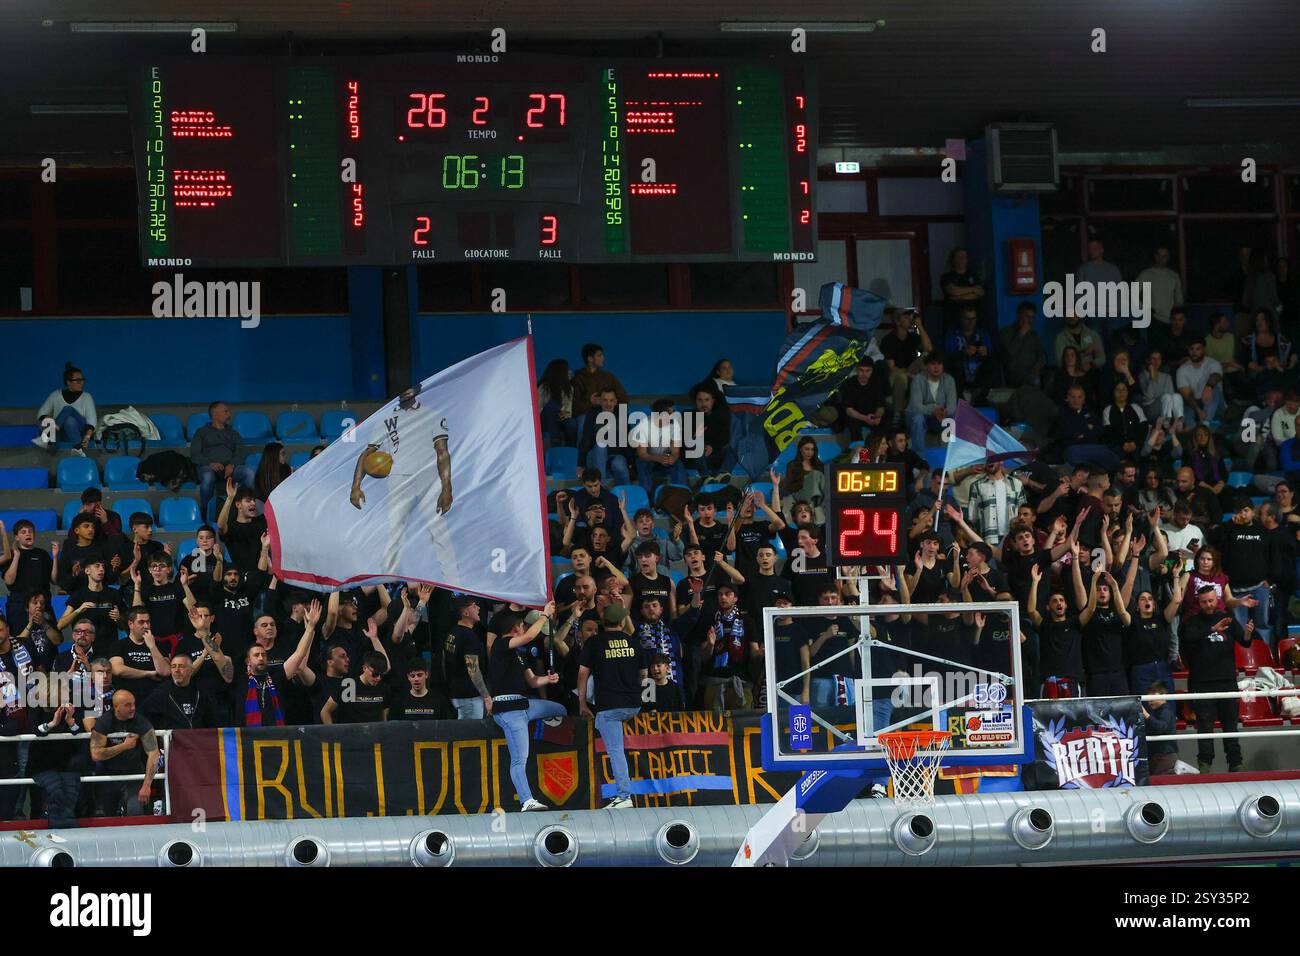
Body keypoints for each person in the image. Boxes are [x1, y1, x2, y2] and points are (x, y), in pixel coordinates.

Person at [347, 383, 456, 575]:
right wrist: (355, 485)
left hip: (427, 479)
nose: (406, 389)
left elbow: (442, 453)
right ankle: (388, 579)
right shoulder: (386, 418)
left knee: (440, 532)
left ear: (418, 389)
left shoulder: (432, 415)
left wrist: (446, 488)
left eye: (410, 385)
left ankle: (453, 582)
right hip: (398, 480)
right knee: (394, 532)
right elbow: (368, 452)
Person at [489, 603, 567, 811]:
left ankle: (544, 733)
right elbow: (529, 637)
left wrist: (548, 680)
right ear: (516, 628)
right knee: (519, 759)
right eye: (522, 626)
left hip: (526, 705)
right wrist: (544, 615)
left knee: (560, 709)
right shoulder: (500, 644)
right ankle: (526, 801)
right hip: (509, 710)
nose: (524, 628)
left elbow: (532, 681)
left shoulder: (518, 654)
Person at [578, 604, 650, 809]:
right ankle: (624, 794)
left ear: (603, 623)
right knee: (619, 748)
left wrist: (582, 703)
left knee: (616, 750)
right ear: (621, 622)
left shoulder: (594, 643)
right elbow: (644, 675)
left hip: (609, 707)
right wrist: (644, 701)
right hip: (633, 704)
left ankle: (624, 796)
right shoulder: (635, 643)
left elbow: (583, 674)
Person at [1181, 585, 1253, 772]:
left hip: (1227, 681)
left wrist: (1247, 633)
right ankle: (1205, 767)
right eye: (1204, 601)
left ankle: (1236, 764)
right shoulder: (1191, 622)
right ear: (1199, 602)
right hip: (1202, 683)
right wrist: (1213, 628)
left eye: (1211, 600)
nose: (1208, 604)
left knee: (1231, 727)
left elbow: (1244, 642)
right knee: (1205, 729)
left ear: (1217, 599)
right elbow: (1189, 638)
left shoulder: (1227, 618)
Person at [240, 599, 320, 726]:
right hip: (247, 735)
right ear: (247, 661)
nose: (261, 658)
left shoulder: (276, 675)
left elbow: (299, 654)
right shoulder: (240, 680)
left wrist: (310, 628)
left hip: (281, 725)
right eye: (256, 655)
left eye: (264, 655)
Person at [87, 690, 159, 816]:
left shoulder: (140, 721)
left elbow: (154, 753)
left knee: (135, 810)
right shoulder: (104, 722)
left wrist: (147, 785)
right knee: (105, 815)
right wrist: (124, 746)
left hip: (133, 773)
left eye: (133, 704)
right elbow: (96, 755)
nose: (133, 708)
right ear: (116, 707)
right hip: (109, 775)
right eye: (127, 705)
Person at [1027, 559, 1087, 698]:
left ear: (1066, 605)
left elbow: (1090, 609)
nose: (1058, 603)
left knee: (1072, 720)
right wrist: (1035, 582)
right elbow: (1031, 610)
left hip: (1072, 681)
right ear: (1048, 607)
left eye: (1061, 600)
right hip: (1049, 681)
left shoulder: (1075, 623)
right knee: (1049, 720)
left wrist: (1095, 580)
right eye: (1054, 601)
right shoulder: (1044, 625)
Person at [190, 401, 256, 514]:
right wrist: (210, 463)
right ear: (215, 414)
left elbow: (240, 453)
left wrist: (232, 464)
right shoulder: (201, 432)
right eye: (225, 412)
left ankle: (251, 507)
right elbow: (195, 455)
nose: (229, 414)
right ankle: (206, 512)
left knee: (249, 472)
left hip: (230, 468)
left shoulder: (233, 433)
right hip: (209, 467)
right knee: (207, 477)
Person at [140, 652, 222, 730]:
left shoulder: (201, 692)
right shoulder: (162, 692)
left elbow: (213, 719)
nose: (177, 670)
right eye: (173, 666)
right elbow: (143, 715)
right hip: (173, 741)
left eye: (181, 666)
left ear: (191, 670)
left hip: (198, 740)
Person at [444, 596, 490, 718]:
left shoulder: (452, 633)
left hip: (455, 692)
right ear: (465, 612)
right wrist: (486, 696)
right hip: (469, 697)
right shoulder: (469, 637)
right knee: (471, 735)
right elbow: (473, 670)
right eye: (474, 606)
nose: (479, 608)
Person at [3, 519, 54, 633]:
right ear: (16, 537)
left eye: (30, 531)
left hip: (41, 603)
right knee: (19, 640)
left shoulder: (43, 554)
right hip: (18, 605)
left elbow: (54, 580)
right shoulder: (10, 555)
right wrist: (16, 556)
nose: (28, 533)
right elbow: (9, 581)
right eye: (23, 532)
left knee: (47, 639)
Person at [881, 308, 933, 419]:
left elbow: (928, 349)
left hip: (910, 370)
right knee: (901, 378)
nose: (910, 319)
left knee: (926, 358)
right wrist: (911, 376)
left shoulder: (912, 337)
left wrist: (920, 326)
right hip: (894, 375)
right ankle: (897, 415)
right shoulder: (888, 340)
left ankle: (928, 403)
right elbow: (892, 368)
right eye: (906, 317)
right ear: (898, 321)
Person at [35, 363, 96, 455]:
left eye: (82, 380)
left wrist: (87, 437)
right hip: (62, 433)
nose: (82, 383)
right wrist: (49, 419)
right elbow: (41, 413)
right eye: (78, 381)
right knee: (68, 420)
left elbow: (92, 421)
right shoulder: (55, 395)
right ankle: (77, 448)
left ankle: (46, 437)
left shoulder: (86, 397)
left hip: (80, 432)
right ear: (68, 382)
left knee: (68, 409)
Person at [577, 387, 632, 487]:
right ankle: (601, 490)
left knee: (619, 465)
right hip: (595, 455)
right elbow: (586, 439)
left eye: (611, 400)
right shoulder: (593, 414)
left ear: (616, 402)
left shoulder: (622, 414)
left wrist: (632, 465)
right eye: (605, 400)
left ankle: (627, 495)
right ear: (600, 402)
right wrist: (580, 464)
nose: (608, 403)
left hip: (615, 455)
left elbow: (627, 441)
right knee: (601, 446)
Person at [965, 460, 1028, 547]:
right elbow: (972, 517)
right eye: (987, 460)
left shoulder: (1016, 483)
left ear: (1001, 461)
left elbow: (1024, 511)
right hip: (988, 539)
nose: (989, 462)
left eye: (993, 458)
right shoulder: (977, 486)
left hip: (1013, 537)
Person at [905, 352, 957, 451]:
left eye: (939, 364)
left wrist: (945, 412)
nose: (936, 367)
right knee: (918, 419)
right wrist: (934, 410)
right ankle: (919, 454)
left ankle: (947, 454)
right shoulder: (918, 379)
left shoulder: (949, 380)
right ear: (926, 366)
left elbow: (952, 405)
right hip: (919, 416)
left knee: (952, 418)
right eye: (933, 364)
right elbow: (916, 407)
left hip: (940, 416)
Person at [945, 305, 996, 402]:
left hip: (979, 372)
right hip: (960, 373)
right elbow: (948, 356)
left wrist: (985, 352)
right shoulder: (952, 334)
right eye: (967, 319)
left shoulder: (982, 333)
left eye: (973, 319)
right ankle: (961, 398)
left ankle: (981, 396)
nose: (970, 322)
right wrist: (963, 352)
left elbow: (991, 353)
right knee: (954, 365)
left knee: (992, 364)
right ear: (961, 319)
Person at [1174, 340, 1224, 428]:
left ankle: (1206, 423)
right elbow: (1187, 396)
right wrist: (1198, 410)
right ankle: (1195, 429)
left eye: (1198, 349)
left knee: (1214, 389)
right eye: (1191, 349)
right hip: (1195, 405)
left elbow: (1216, 375)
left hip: (1215, 404)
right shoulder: (1181, 370)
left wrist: (1208, 387)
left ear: (1204, 350)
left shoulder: (1213, 363)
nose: (1194, 352)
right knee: (1185, 414)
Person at [834, 360, 888, 441]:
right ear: (856, 370)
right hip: (855, 416)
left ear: (872, 371)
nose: (864, 374)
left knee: (885, 423)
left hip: (871, 416)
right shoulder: (849, 384)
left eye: (867, 371)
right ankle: (860, 451)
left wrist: (877, 416)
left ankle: (879, 450)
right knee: (853, 425)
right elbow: (849, 410)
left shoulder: (876, 384)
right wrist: (865, 418)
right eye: (861, 370)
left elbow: (880, 406)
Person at [571, 343, 629, 417]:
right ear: (590, 358)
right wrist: (591, 402)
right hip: (587, 416)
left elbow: (624, 399)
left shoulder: (608, 377)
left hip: (609, 415)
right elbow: (573, 407)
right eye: (599, 355)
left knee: (623, 421)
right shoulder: (578, 379)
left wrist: (610, 405)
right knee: (583, 421)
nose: (603, 358)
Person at [1000, 300, 1046, 389]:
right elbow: (1010, 351)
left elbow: (1041, 355)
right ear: (1018, 315)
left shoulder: (1034, 334)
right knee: (1033, 381)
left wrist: (1038, 365)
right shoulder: (1006, 332)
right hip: (1014, 374)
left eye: (1032, 317)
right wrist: (1021, 333)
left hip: (1032, 373)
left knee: (1038, 380)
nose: (1030, 321)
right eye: (1027, 317)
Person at [1136, 246, 1184, 327]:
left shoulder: (1174, 276)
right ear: (1155, 257)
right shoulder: (1145, 274)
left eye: (1164, 256)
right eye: (1159, 255)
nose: (1161, 258)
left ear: (1168, 258)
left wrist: (1178, 315)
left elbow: (1179, 299)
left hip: (1171, 320)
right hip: (1153, 320)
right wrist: (1143, 309)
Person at [940, 247, 985, 329]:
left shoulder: (974, 276)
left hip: (973, 320)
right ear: (953, 259)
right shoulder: (947, 277)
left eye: (964, 257)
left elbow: (980, 292)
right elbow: (954, 291)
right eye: (959, 257)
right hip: (953, 318)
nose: (962, 259)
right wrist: (972, 290)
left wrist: (960, 296)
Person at [537, 358, 578, 447]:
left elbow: (568, 410)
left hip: (560, 419)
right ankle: (555, 441)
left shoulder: (569, 388)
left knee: (572, 423)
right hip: (544, 420)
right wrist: (555, 411)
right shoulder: (544, 387)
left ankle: (571, 447)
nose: (570, 371)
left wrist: (563, 414)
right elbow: (537, 409)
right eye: (567, 369)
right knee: (552, 405)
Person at [1142, 682, 1178, 776]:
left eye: (1152, 697)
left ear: (1164, 696)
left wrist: (1146, 715)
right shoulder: (1156, 711)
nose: (1150, 701)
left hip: (1165, 755)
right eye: (1148, 699)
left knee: (1163, 782)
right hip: (1157, 754)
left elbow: (1161, 727)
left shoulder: (1165, 711)